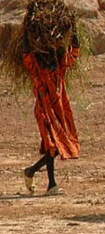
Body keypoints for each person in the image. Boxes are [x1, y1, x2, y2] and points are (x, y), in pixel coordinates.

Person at [22, 33, 81, 196]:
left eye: (54, 56)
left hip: (59, 112)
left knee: (54, 147)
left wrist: (74, 35)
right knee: (52, 146)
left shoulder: (59, 70)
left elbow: (73, 55)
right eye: (48, 56)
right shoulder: (37, 71)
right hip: (44, 111)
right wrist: (28, 35)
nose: (52, 59)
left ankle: (31, 171)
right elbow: (26, 55)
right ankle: (51, 184)